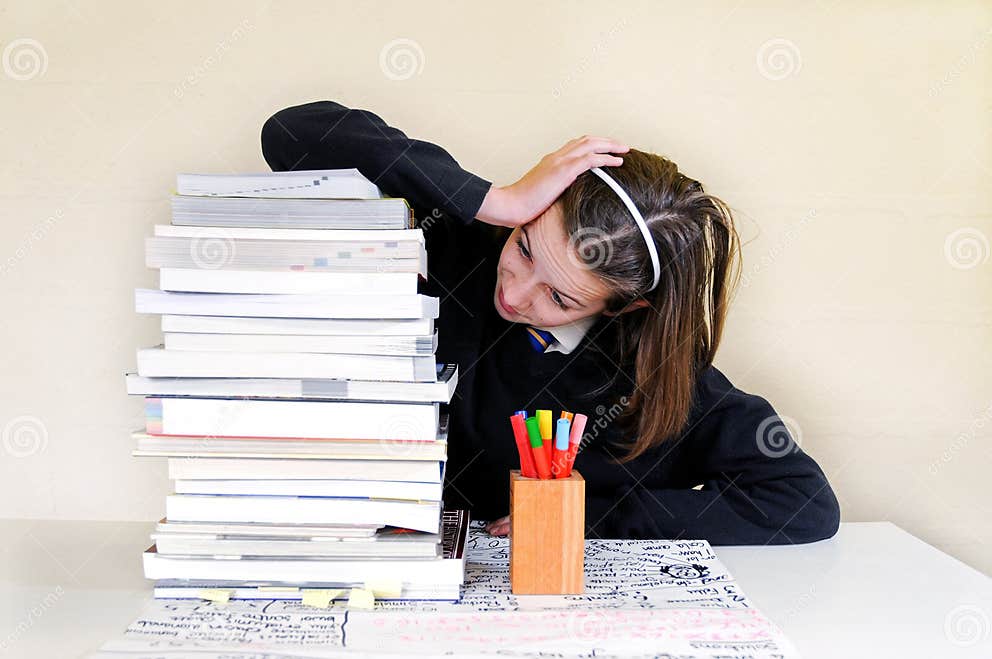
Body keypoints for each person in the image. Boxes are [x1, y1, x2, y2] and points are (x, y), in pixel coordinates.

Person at [260, 100, 841, 545]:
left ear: (621, 309)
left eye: (560, 300)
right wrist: (496, 202)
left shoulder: (648, 381)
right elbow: (291, 132)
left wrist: (593, 515)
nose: (514, 294)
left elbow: (802, 501)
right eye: (527, 247)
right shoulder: (454, 243)